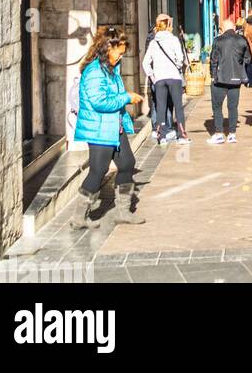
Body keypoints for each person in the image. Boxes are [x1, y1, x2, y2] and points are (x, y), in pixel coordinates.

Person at [72, 27, 145, 228]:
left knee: (127, 163)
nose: (121, 57)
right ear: (107, 48)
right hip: (99, 128)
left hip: (114, 126)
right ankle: (79, 217)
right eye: (119, 52)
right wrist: (127, 97)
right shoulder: (95, 72)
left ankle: (123, 211)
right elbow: (100, 102)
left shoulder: (111, 69)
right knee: (98, 170)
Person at [142, 14, 190, 145]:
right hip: (174, 77)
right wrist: (177, 66)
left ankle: (161, 136)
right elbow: (180, 59)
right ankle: (181, 135)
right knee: (178, 107)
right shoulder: (174, 40)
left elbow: (145, 63)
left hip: (159, 79)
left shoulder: (153, 42)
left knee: (161, 107)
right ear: (168, 25)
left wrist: (153, 76)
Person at [207, 17, 251, 144]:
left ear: (223, 28)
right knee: (233, 106)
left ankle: (219, 133)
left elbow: (213, 60)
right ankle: (232, 134)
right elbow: (248, 58)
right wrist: (239, 67)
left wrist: (213, 75)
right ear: (233, 27)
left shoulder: (218, 41)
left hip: (220, 79)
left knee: (217, 106)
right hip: (236, 79)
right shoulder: (242, 40)